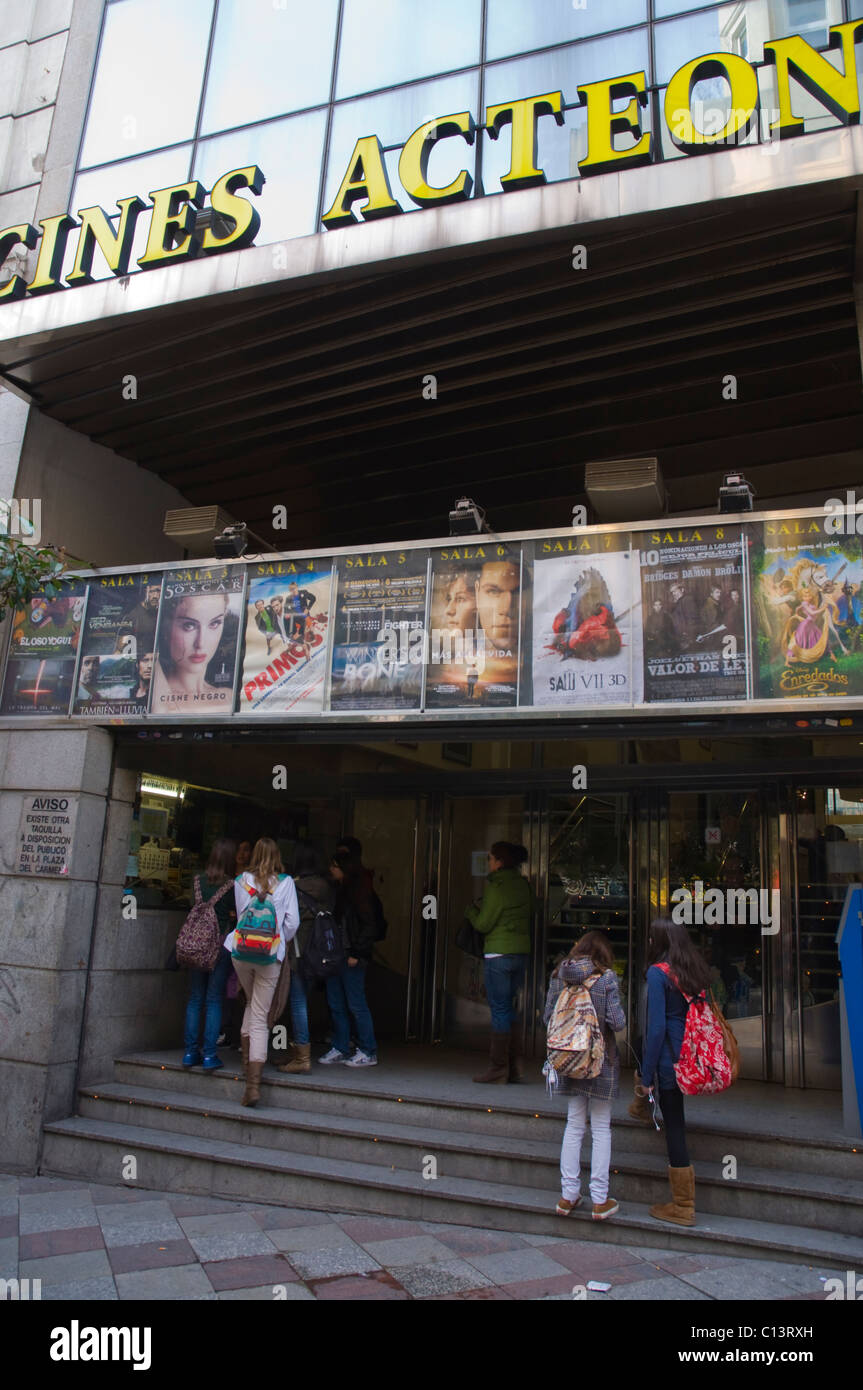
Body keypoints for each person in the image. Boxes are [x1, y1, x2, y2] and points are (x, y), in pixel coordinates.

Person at [543, 930, 626, 1221]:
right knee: (601, 1128)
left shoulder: (559, 976)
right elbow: (617, 1022)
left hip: (568, 1059)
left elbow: (546, 1018)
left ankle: (568, 1196)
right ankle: (600, 1200)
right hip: (599, 1061)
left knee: (574, 1125)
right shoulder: (606, 979)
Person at [640, 917, 713, 1227]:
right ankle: (683, 1203)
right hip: (691, 1056)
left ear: (658, 942)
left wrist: (645, 1077)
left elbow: (655, 1030)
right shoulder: (692, 971)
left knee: (674, 1128)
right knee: (675, 1121)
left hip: (670, 1060)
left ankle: (683, 1205)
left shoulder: (657, 975)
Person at [227, 838, 299, 1106]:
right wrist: (279, 941)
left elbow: (240, 913)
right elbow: (293, 922)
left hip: (241, 954)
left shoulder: (241, 880)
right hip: (269, 956)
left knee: (252, 1004)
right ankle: (253, 1086)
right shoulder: (287, 882)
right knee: (260, 1015)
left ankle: (247, 1066)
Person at [464, 841, 531, 1084]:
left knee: (500, 1009)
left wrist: (470, 912)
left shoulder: (496, 885)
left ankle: (498, 1067)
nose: (489, 862)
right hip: (520, 953)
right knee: (510, 1007)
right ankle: (514, 1066)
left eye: (491, 858)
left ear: (500, 862)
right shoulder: (524, 886)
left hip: (498, 954)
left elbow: (483, 924)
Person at [278, 844, 336, 1074]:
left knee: (297, 1001)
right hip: (320, 952)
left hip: (299, 952)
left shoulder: (292, 886)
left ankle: (301, 1056)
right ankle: (295, 1052)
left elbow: (288, 919)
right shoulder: (326, 887)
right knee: (305, 999)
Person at [318, 849, 379, 1067]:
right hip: (337, 954)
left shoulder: (359, 893)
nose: (331, 869)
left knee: (356, 1003)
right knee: (336, 1002)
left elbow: (369, 926)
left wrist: (357, 952)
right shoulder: (340, 891)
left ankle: (368, 1050)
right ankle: (340, 1046)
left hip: (351, 955)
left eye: (335, 865)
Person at [182, 838, 237, 1071]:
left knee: (195, 998)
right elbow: (238, 914)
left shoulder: (196, 880)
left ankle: (189, 1052)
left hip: (195, 945)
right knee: (214, 999)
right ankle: (209, 1054)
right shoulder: (232, 886)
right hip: (219, 946)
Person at [151, 591, 232, 709]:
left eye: (214, 623)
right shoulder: (154, 698)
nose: (200, 643)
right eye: (189, 626)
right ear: (165, 628)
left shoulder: (230, 697)